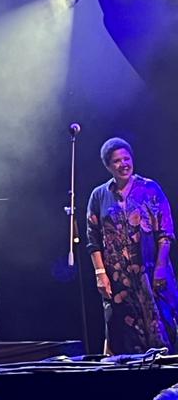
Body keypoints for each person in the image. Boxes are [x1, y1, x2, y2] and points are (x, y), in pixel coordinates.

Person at [87, 136, 178, 354]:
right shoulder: (99, 195)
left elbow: (166, 233)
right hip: (119, 281)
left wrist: (160, 268)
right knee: (124, 337)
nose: (123, 164)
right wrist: (101, 274)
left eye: (126, 158)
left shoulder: (150, 188)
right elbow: (93, 239)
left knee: (163, 327)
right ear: (108, 166)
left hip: (151, 274)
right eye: (116, 161)